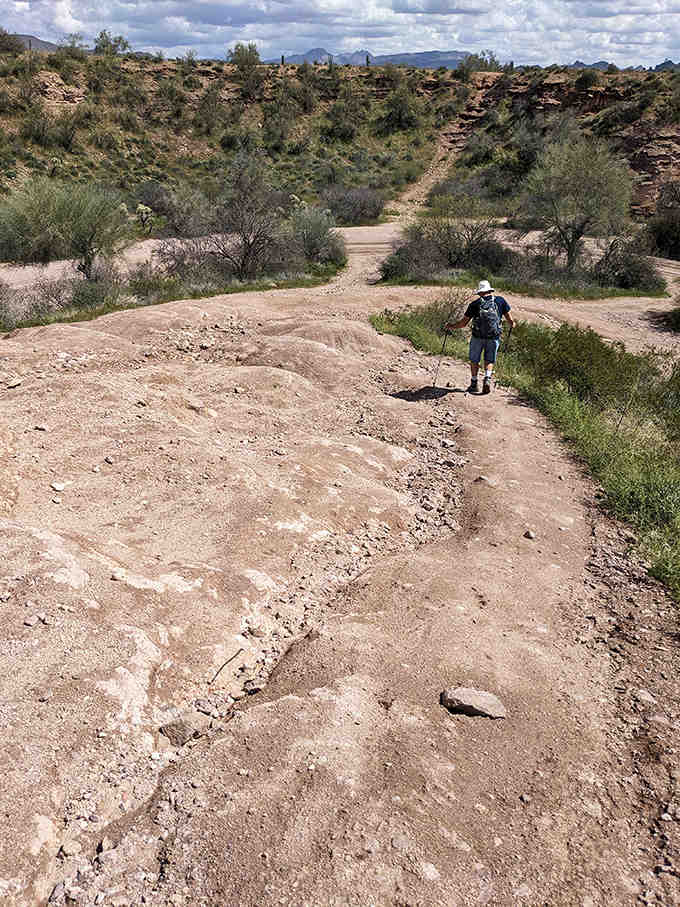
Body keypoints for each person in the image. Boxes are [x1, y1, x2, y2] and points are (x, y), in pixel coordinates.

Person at [445, 280, 514, 394]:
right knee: (489, 359)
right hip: (493, 336)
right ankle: (487, 378)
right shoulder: (500, 301)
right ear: (489, 290)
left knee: (474, 360)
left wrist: (450, 326)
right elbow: (510, 320)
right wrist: (513, 324)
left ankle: (474, 383)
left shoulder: (474, 304)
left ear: (480, 292)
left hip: (477, 337)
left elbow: (463, 324)